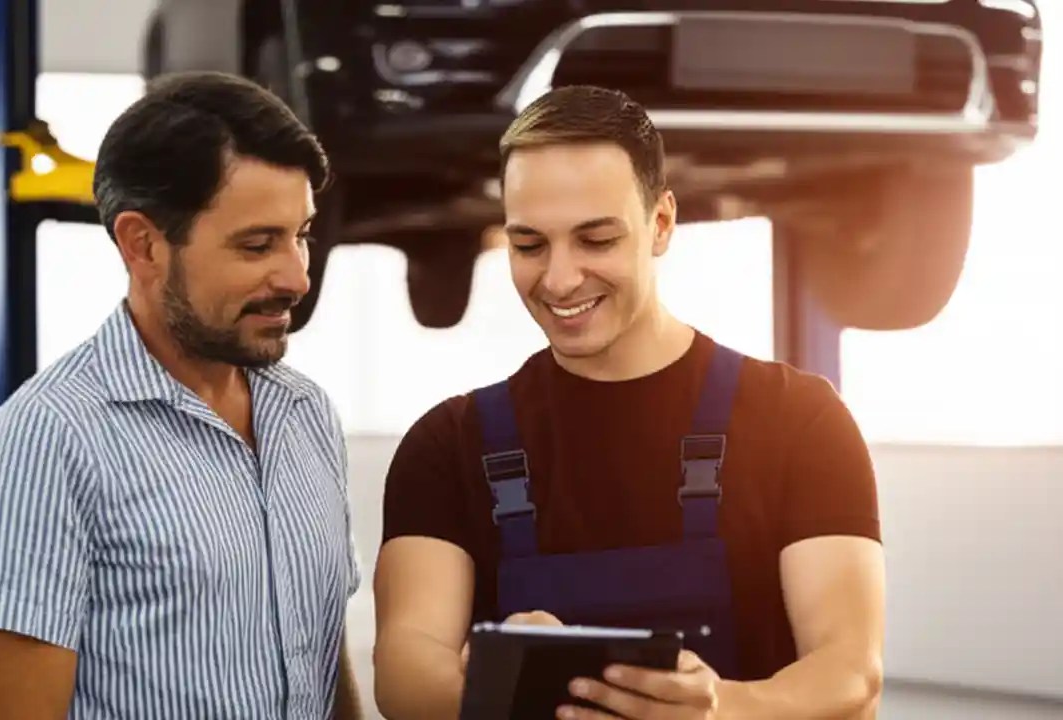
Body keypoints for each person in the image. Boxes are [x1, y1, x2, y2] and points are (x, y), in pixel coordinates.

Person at [372, 85, 886, 720]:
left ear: (661, 223)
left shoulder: (800, 421)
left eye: (595, 240)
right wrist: (511, 685)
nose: (558, 279)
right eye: (529, 245)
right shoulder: (449, 446)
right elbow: (402, 669)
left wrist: (716, 708)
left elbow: (850, 674)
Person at [0, 71, 363, 719]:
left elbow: (318, 651)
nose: (296, 276)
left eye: (302, 235)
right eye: (258, 244)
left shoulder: (304, 413)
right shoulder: (45, 441)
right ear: (142, 244)